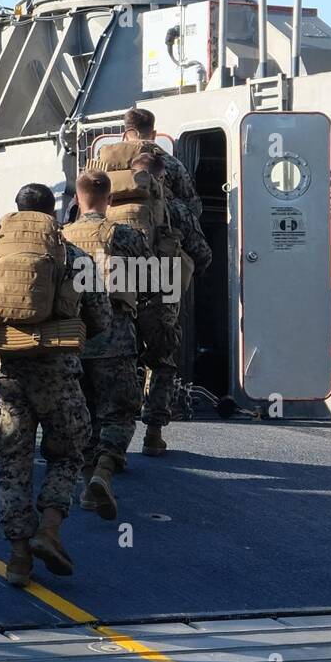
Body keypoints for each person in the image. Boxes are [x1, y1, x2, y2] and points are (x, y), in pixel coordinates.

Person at [0, 184, 112, 587]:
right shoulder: (73, 255)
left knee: (12, 463)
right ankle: (49, 529)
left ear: (16, 211)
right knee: (68, 454)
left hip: (7, 375)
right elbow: (102, 319)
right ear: (53, 214)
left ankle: (18, 558)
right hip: (58, 373)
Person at [62, 171, 150, 520]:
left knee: (82, 412)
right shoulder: (124, 235)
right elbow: (149, 281)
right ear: (109, 200)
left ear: (77, 200)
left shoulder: (62, 236)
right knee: (118, 411)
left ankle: (86, 484)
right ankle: (105, 470)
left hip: (73, 338)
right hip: (116, 337)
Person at [140, 151, 212, 454]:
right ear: (164, 176)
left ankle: (108, 441)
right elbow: (202, 252)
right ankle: (153, 434)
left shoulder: (112, 205)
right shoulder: (176, 207)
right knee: (161, 360)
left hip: (118, 289)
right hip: (163, 289)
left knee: (116, 361)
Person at [121, 107, 202, 219]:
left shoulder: (106, 163)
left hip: (117, 230)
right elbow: (194, 206)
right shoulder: (171, 163)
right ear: (154, 134)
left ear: (125, 134)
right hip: (161, 231)